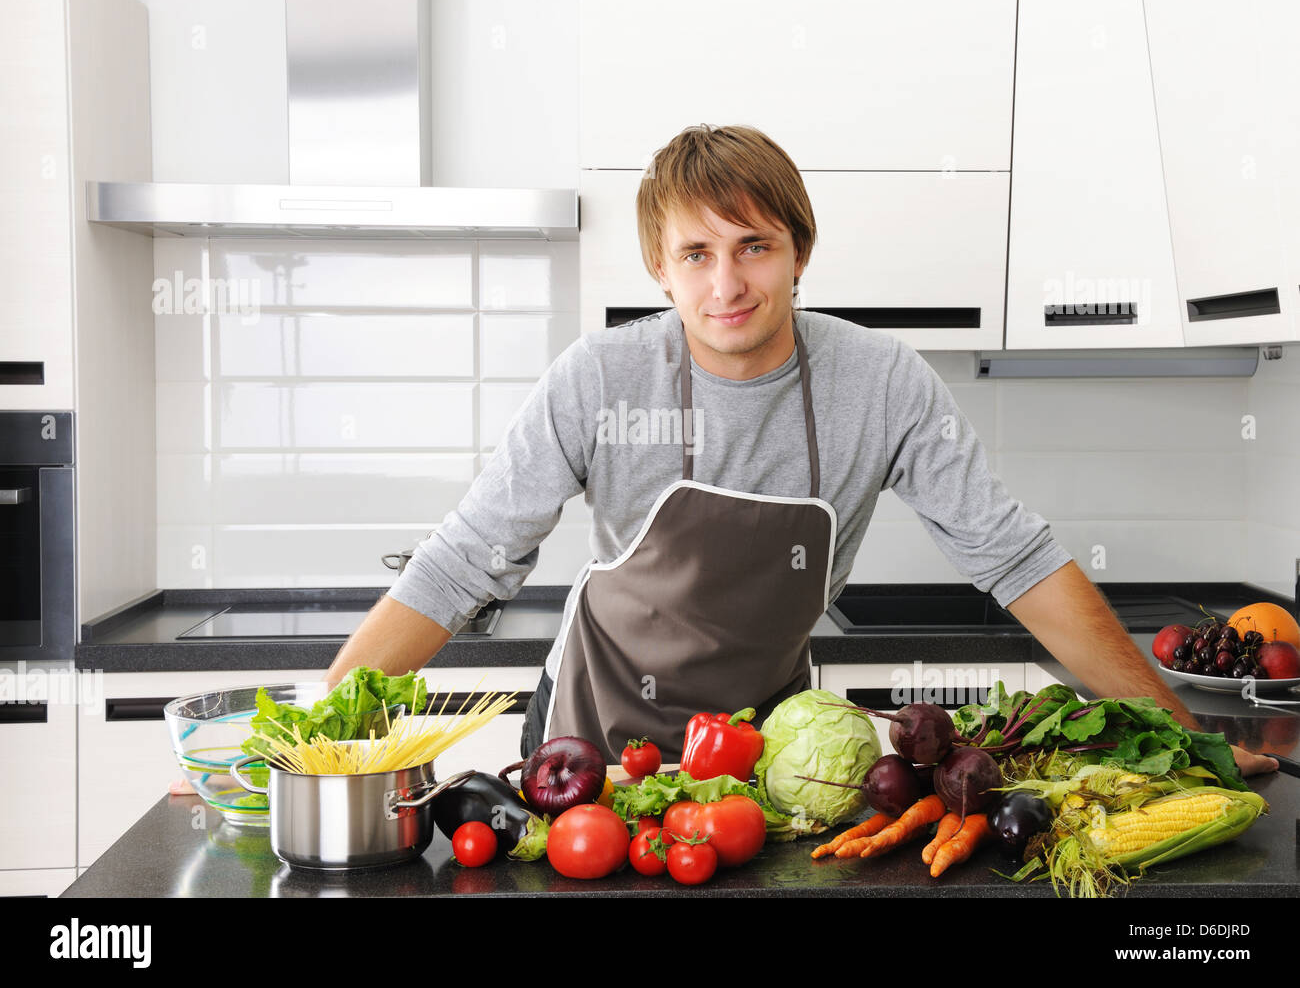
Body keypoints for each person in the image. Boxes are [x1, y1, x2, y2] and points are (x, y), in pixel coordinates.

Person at [326, 123, 1277, 778]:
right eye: (696, 254)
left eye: (754, 245)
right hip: (595, 747)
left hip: (770, 751)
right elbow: (460, 566)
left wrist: (1187, 738)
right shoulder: (599, 381)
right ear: (658, 267)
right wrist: (313, 738)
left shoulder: (883, 382)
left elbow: (1018, 561)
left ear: (800, 251)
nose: (727, 282)